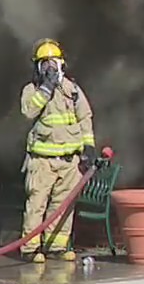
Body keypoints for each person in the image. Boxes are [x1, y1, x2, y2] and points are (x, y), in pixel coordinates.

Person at [18, 38, 98, 262]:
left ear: (62, 64)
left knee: (62, 206)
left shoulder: (72, 90)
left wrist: (88, 146)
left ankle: (56, 246)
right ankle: (30, 248)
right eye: (44, 63)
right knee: (36, 204)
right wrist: (46, 88)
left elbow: (85, 117)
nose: (50, 67)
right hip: (42, 161)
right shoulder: (32, 90)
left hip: (69, 162)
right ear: (37, 67)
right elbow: (28, 111)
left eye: (53, 62)